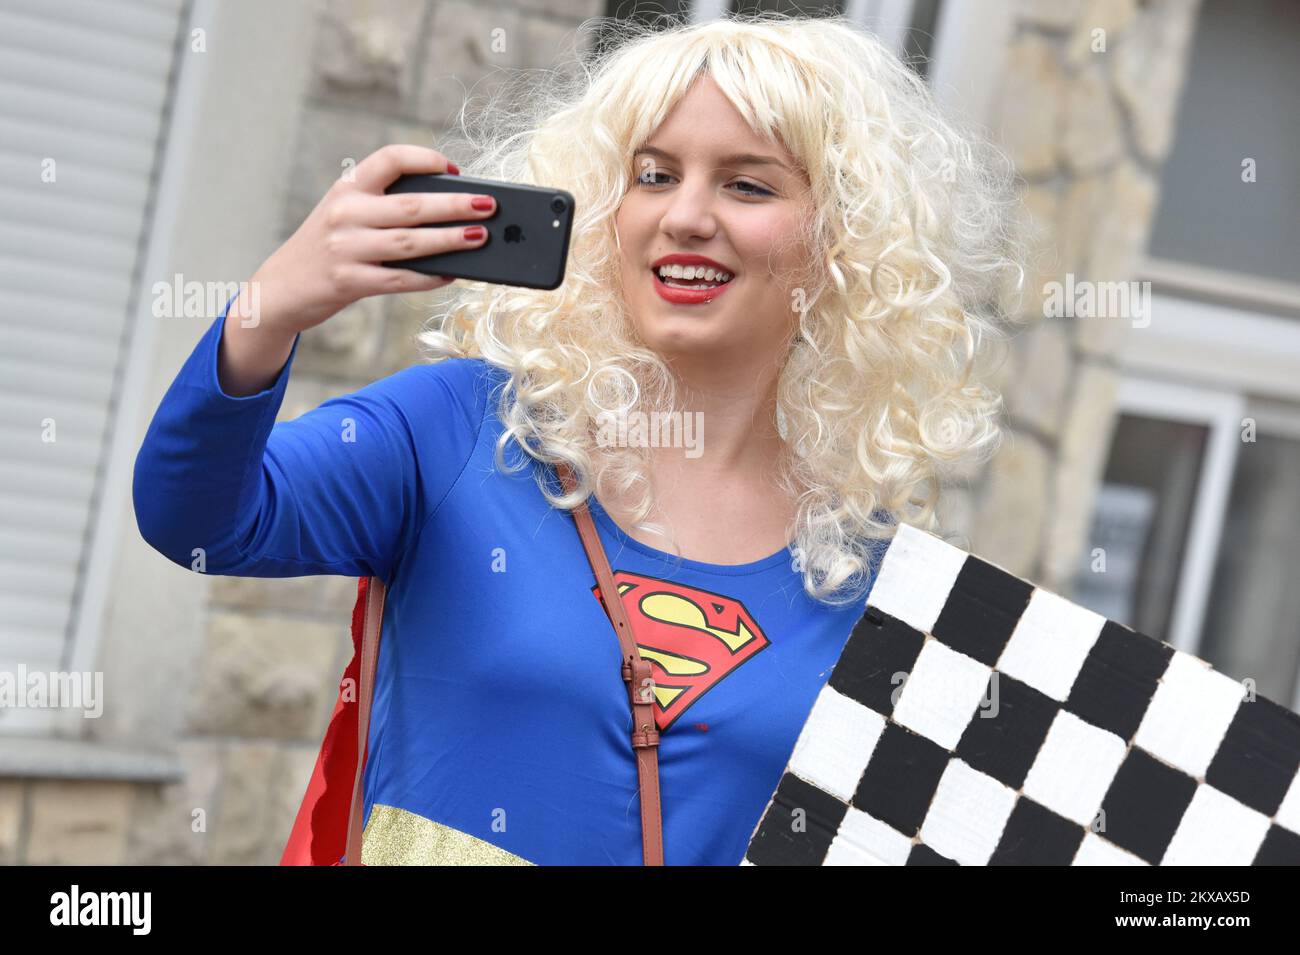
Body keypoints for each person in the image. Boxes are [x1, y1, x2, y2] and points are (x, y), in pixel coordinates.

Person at [133, 13, 1023, 865]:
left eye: (748, 184)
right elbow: (200, 520)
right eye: (654, 174)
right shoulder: (460, 429)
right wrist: (270, 309)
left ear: (843, 243)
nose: (686, 215)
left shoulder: (869, 574)